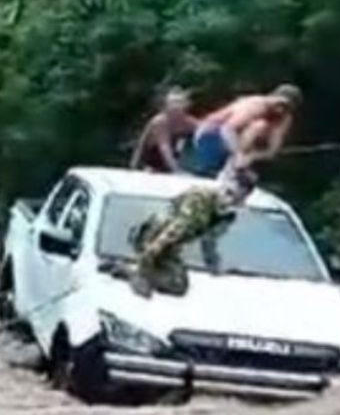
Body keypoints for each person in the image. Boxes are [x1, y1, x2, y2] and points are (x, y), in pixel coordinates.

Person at [129, 160, 258, 297]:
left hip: (171, 246)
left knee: (179, 285)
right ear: (224, 185)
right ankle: (137, 274)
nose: (228, 200)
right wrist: (145, 263)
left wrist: (213, 265)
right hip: (154, 236)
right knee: (168, 281)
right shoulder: (200, 198)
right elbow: (172, 232)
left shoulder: (224, 214)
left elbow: (209, 240)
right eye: (228, 193)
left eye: (235, 198)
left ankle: (137, 273)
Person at [189, 84, 302, 177]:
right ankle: (211, 166)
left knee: (259, 127)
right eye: (281, 104)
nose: (281, 110)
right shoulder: (255, 105)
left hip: (241, 144)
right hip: (212, 134)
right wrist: (238, 154)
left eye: (287, 107)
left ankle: (236, 168)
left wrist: (252, 156)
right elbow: (227, 129)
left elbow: (272, 151)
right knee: (259, 126)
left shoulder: (284, 118)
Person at [130, 88, 198, 173]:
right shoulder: (160, 121)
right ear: (166, 104)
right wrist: (177, 171)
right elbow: (165, 148)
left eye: (179, 102)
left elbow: (205, 132)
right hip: (148, 165)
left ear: (187, 104)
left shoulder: (189, 123)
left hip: (172, 165)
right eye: (173, 102)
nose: (176, 106)